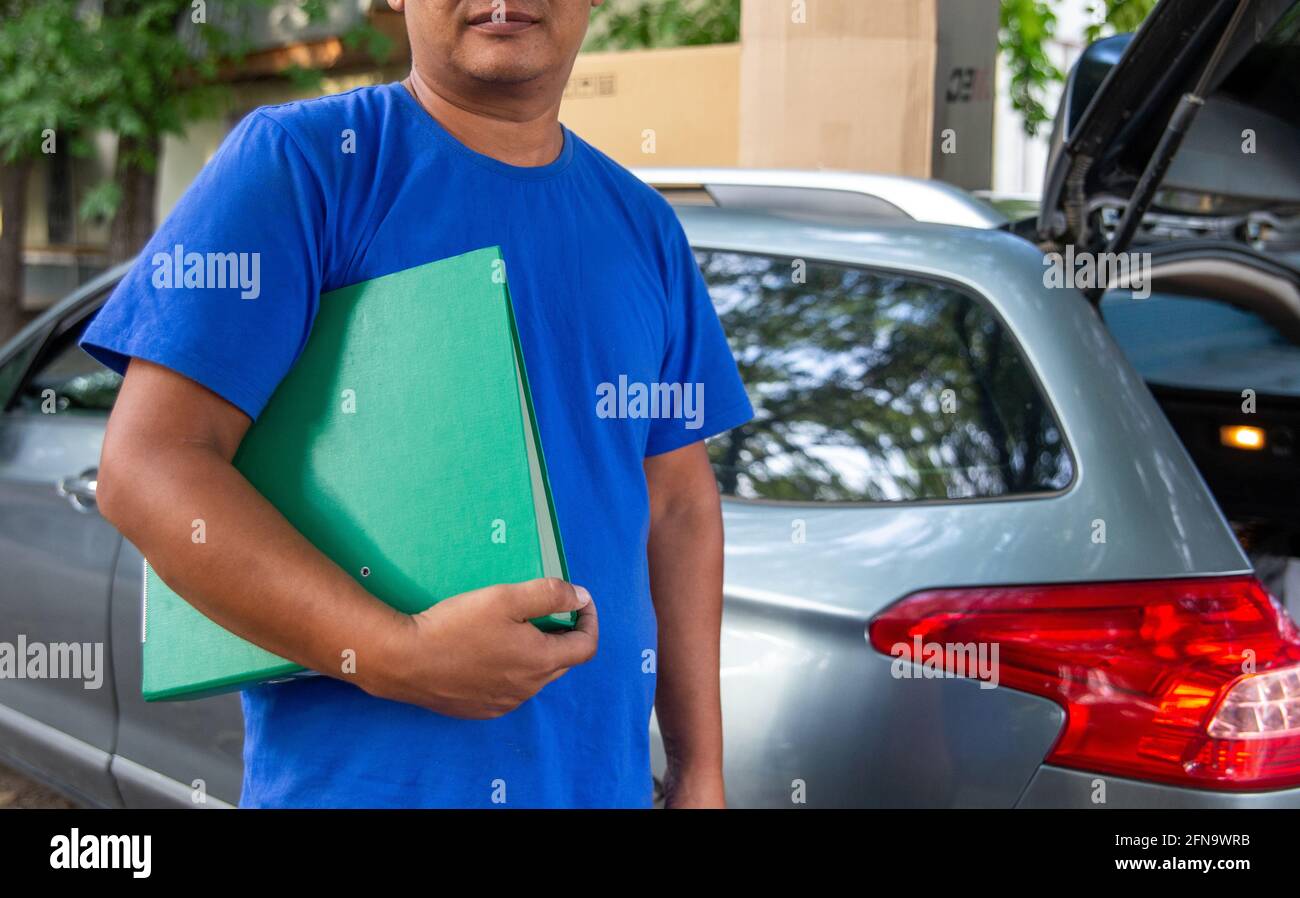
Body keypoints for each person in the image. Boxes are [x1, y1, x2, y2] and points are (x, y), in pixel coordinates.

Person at [82, 0, 753, 808]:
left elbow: (678, 502)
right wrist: (398, 653)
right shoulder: (302, 165)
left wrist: (699, 774)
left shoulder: (645, 228)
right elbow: (147, 466)